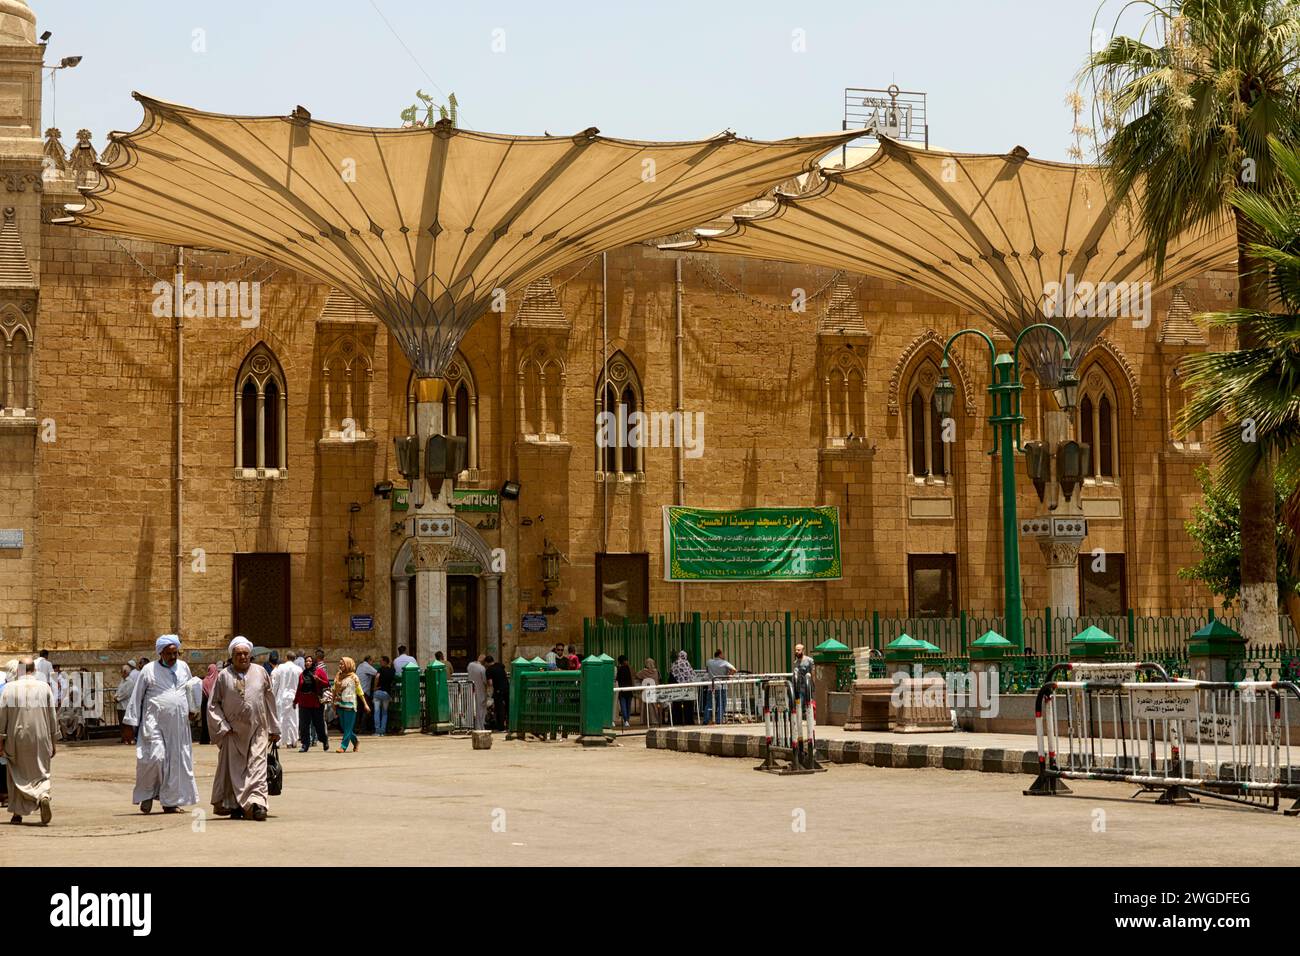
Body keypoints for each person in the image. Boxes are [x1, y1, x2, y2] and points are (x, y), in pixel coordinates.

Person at [123, 635, 200, 815]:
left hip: (178, 724)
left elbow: (189, 688)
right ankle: (147, 794)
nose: (173, 657)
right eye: (169, 653)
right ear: (161, 653)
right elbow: (137, 696)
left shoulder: (183, 667)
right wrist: (129, 723)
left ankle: (170, 802)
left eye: (176, 653)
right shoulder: (149, 670)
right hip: (154, 722)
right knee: (155, 758)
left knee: (175, 761)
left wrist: (192, 708)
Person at [208, 636, 279, 821]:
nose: (242, 657)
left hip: (258, 728)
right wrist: (222, 726)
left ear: (250, 655)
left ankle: (258, 805)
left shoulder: (261, 672)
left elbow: (269, 699)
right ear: (232, 656)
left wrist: (274, 728)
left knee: (257, 767)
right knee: (235, 771)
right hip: (233, 732)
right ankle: (236, 805)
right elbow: (213, 704)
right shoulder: (224, 676)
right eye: (238, 654)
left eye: (245, 654)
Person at [0, 659, 56, 825]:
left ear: (19, 670)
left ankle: (17, 813)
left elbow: (3, 717)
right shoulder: (44, 687)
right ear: (35, 669)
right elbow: (52, 716)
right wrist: (54, 740)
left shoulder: (9, 689)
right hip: (41, 736)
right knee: (41, 770)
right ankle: (43, 795)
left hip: (16, 737)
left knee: (16, 772)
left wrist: (1, 740)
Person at [331, 657, 370, 752]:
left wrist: (365, 704)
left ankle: (343, 746)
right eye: (340, 664)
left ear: (348, 664)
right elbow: (334, 689)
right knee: (345, 727)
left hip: (350, 704)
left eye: (342, 664)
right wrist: (332, 701)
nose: (340, 666)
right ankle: (355, 741)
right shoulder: (338, 675)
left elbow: (359, 691)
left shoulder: (354, 677)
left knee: (348, 727)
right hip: (339, 703)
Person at [295, 654, 329, 752]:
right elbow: (299, 688)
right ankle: (305, 744)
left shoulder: (319, 672)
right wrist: (295, 700)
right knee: (304, 725)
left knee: (319, 724)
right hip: (304, 703)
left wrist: (318, 680)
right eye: (306, 661)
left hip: (316, 703)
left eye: (310, 661)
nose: (307, 663)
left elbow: (327, 684)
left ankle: (324, 740)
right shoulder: (302, 674)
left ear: (313, 662)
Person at [270, 653, 302, 748]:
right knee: (293, 719)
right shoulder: (299, 669)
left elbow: (276, 684)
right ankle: (292, 741)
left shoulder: (281, 668)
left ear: (286, 658)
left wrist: (273, 695)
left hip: (282, 696)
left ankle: (278, 741)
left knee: (281, 718)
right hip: (294, 697)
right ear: (295, 658)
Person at [704, 649, 737, 725]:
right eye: (723, 654)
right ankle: (719, 720)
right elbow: (734, 669)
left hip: (711, 686)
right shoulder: (724, 662)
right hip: (721, 686)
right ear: (720, 654)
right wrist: (729, 676)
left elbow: (707, 670)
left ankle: (706, 720)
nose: (724, 656)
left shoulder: (709, 662)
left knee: (709, 704)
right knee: (721, 704)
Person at [669, 650, 696, 725]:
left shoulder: (675, 664)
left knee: (676, 704)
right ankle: (689, 721)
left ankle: (677, 721)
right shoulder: (687, 664)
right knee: (688, 704)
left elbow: (671, 676)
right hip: (687, 688)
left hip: (676, 688)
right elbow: (692, 676)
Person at [484, 655, 509, 731]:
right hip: (507, 688)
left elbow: (490, 683)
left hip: (498, 690)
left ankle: (501, 727)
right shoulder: (500, 665)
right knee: (508, 707)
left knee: (499, 708)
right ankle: (510, 725)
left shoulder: (489, 670)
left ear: (487, 663)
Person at [372, 655, 394, 735]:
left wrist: (375, 687)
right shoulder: (392, 670)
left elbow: (377, 677)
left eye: (381, 661)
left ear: (385, 661)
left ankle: (377, 731)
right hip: (386, 693)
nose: (380, 663)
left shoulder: (380, 669)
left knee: (376, 712)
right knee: (384, 713)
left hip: (378, 692)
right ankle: (383, 731)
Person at [356, 655, 379, 734]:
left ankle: (357, 727)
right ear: (369, 660)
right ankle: (363, 728)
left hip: (358, 691)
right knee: (367, 710)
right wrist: (375, 686)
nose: (372, 663)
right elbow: (377, 673)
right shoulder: (367, 666)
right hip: (364, 692)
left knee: (359, 710)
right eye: (372, 661)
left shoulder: (360, 666)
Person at [199, 663, 219, 745]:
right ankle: (216, 738)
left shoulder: (204, 681)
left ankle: (205, 739)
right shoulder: (218, 680)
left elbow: (202, 692)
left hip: (205, 702)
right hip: (215, 703)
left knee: (205, 721)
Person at [466, 654, 488, 730]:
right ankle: (480, 726)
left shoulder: (470, 665)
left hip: (470, 689)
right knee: (480, 709)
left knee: (470, 707)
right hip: (480, 689)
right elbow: (485, 681)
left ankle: (469, 725)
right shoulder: (482, 668)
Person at [792, 643, 815, 711]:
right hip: (799, 688)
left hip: (808, 687)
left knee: (809, 706)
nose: (796, 651)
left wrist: (814, 686)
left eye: (798, 650)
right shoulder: (795, 663)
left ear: (803, 650)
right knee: (799, 706)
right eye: (796, 650)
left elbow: (813, 674)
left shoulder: (809, 661)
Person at [616, 655, 635, 728]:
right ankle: (627, 720)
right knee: (628, 706)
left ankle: (626, 720)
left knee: (623, 706)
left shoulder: (619, 669)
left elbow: (617, 679)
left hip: (622, 690)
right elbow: (634, 676)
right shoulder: (630, 668)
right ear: (624, 661)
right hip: (629, 689)